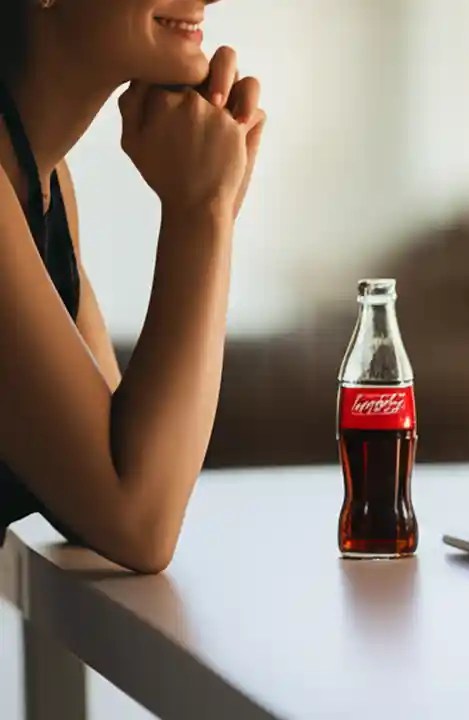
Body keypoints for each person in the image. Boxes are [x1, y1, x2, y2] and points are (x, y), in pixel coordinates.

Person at [0, 0, 266, 572]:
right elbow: (137, 520)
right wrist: (200, 215)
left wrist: (209, 211)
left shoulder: (42, 182)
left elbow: (93, 486)